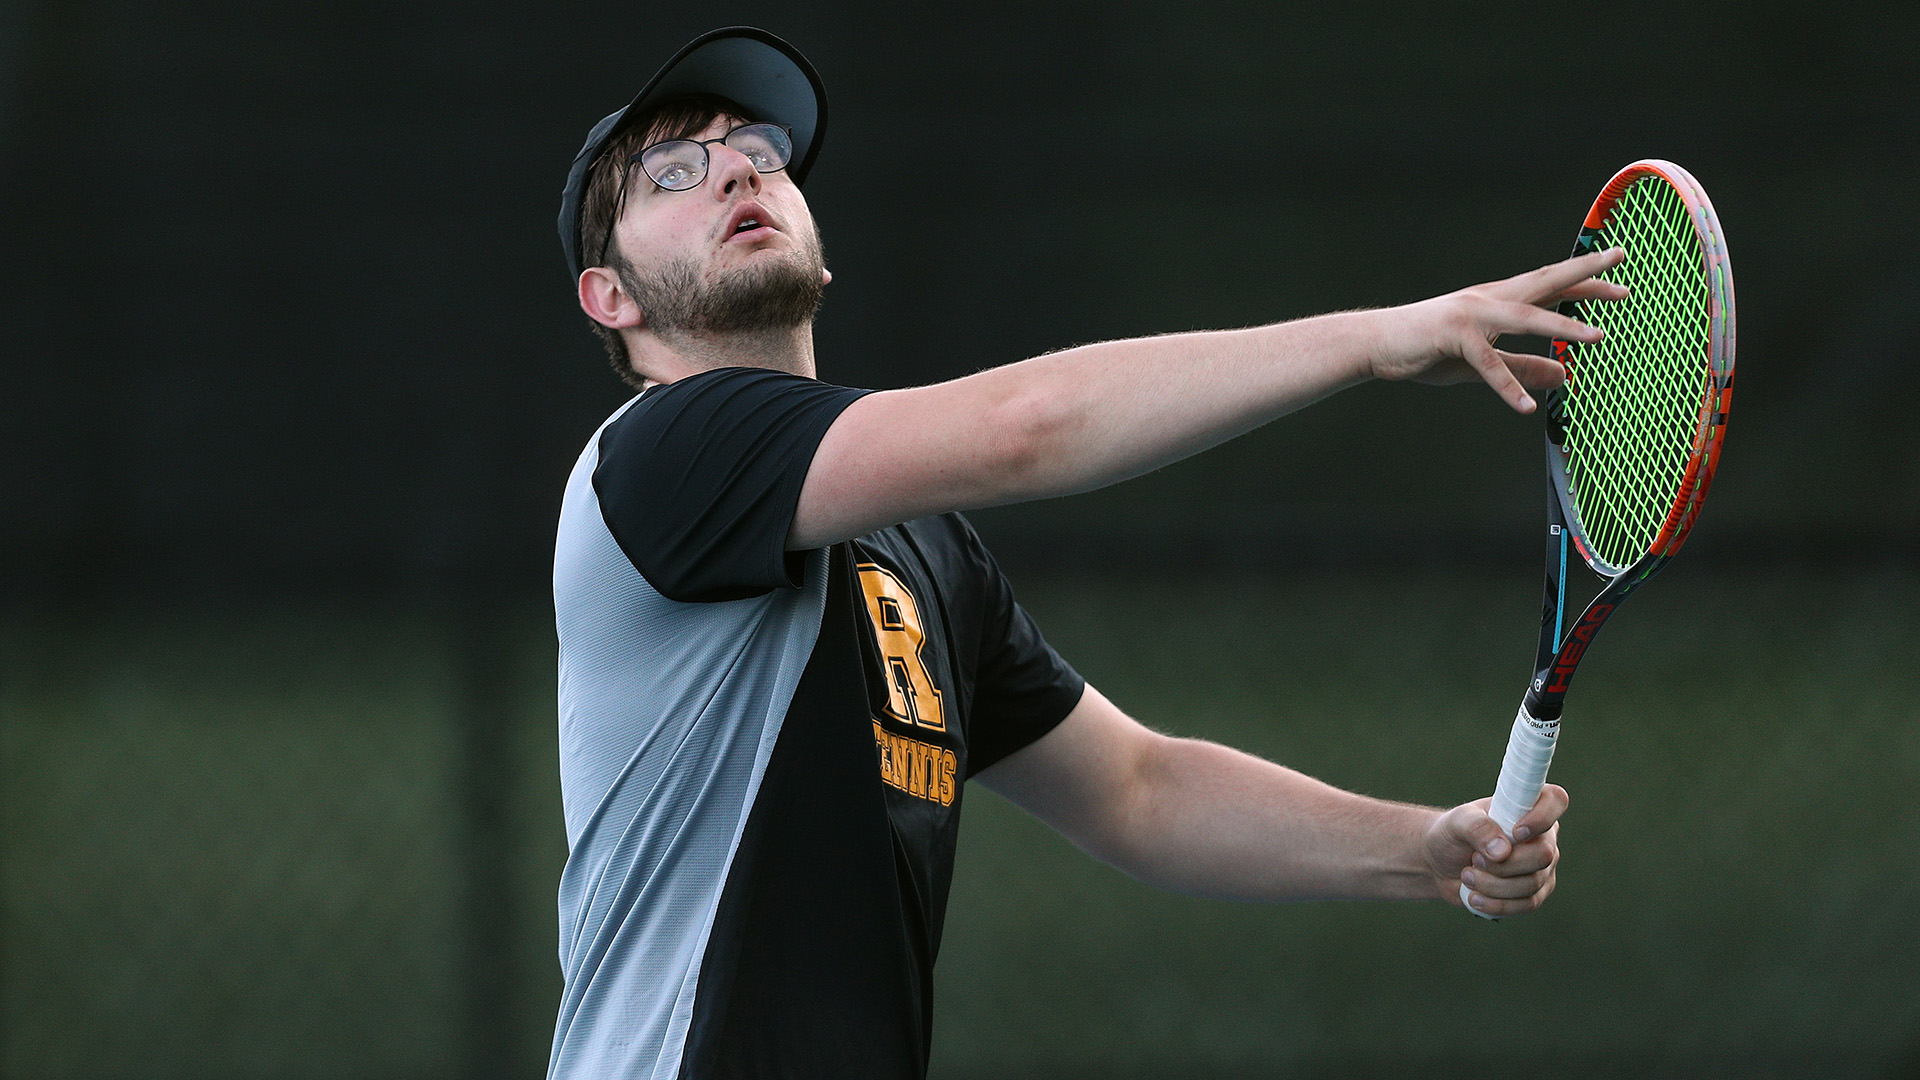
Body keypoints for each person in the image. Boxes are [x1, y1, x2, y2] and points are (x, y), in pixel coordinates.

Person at [548, 26, 1608, 1080]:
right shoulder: (655, 457)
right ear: (613, 298)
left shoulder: (920, 550)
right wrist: (1376, 340)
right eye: (673, 171)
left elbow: (1138, 788)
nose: (738, 167)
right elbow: (1030, 426)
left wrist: (1419, 850)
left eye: (760, 151)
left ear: (820, 253)